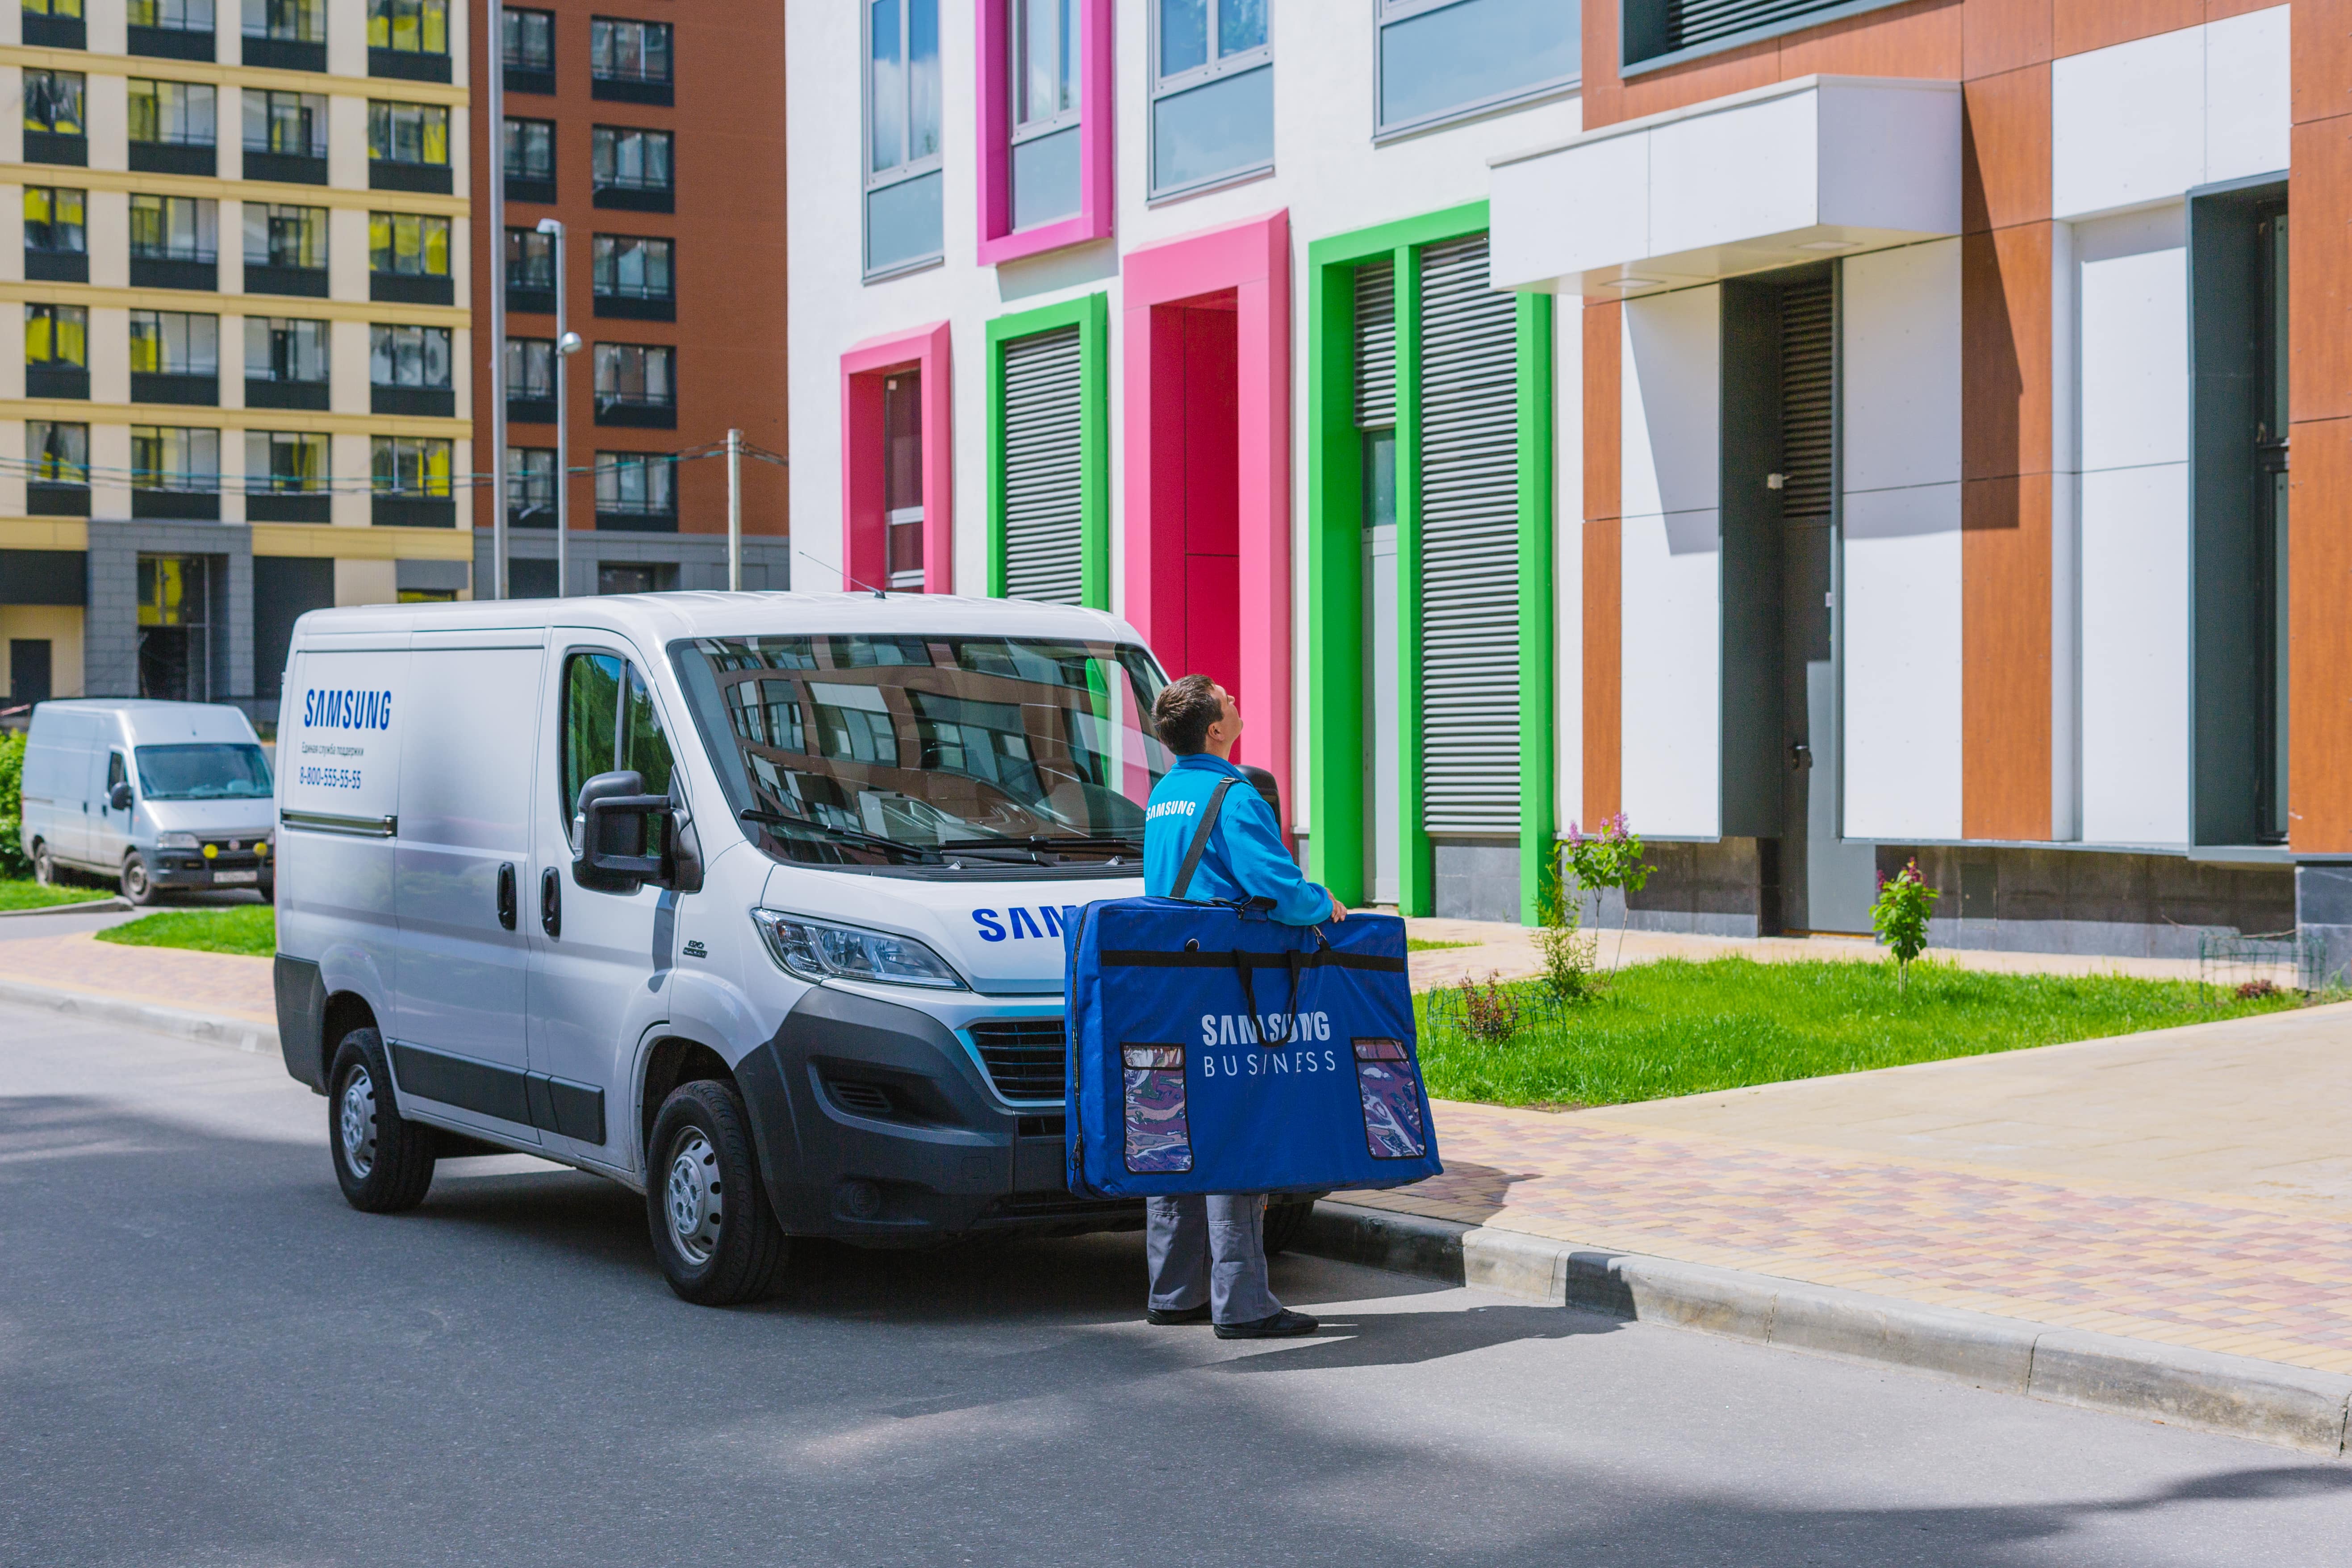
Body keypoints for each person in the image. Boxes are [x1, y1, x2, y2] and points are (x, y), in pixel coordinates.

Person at [1137, 673, 1344, 1341]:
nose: (1235, 697)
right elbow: (1273, 886)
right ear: (1216, 730)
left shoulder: (1163, 794)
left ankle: (1175, 1291)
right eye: (1226, 697)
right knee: (1238, 1135)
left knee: (1180, 1129)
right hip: (1233, 984)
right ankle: (1244, 1303)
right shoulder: (1235, 793)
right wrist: (1323, 903)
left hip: (1172, 982)